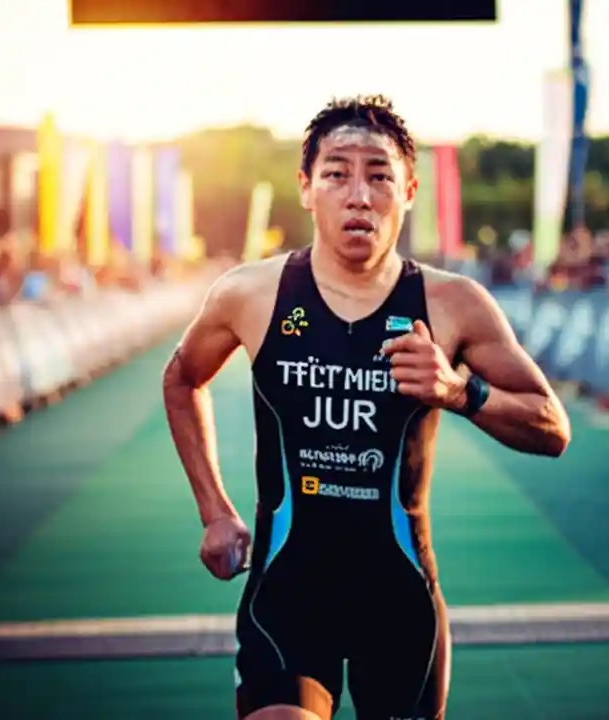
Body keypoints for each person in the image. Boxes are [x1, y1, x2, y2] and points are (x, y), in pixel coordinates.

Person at [162, 95, 572, 720]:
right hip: (289, 594)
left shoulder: (455, 303)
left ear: (408, 189)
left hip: (399, 598)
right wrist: (214, 511)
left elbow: (551, 427)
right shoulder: (250, 293)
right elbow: (182, 378)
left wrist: (460, 391)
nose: (359, 195)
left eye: (379, 175)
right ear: (306, 188)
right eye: (337, 173)